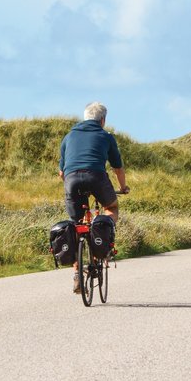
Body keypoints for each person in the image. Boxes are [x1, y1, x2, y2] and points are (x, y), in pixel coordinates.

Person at [59, 101, 130, 293]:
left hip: (72, 180)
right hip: (96, 177)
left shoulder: (69, 136)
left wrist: (70, 187)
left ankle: (77, 274)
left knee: (75, 225)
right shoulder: (106, 136)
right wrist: (123, 188)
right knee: (111, 208)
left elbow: (61, 173)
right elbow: (117, 168)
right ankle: (100, 237)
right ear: (103, 120)